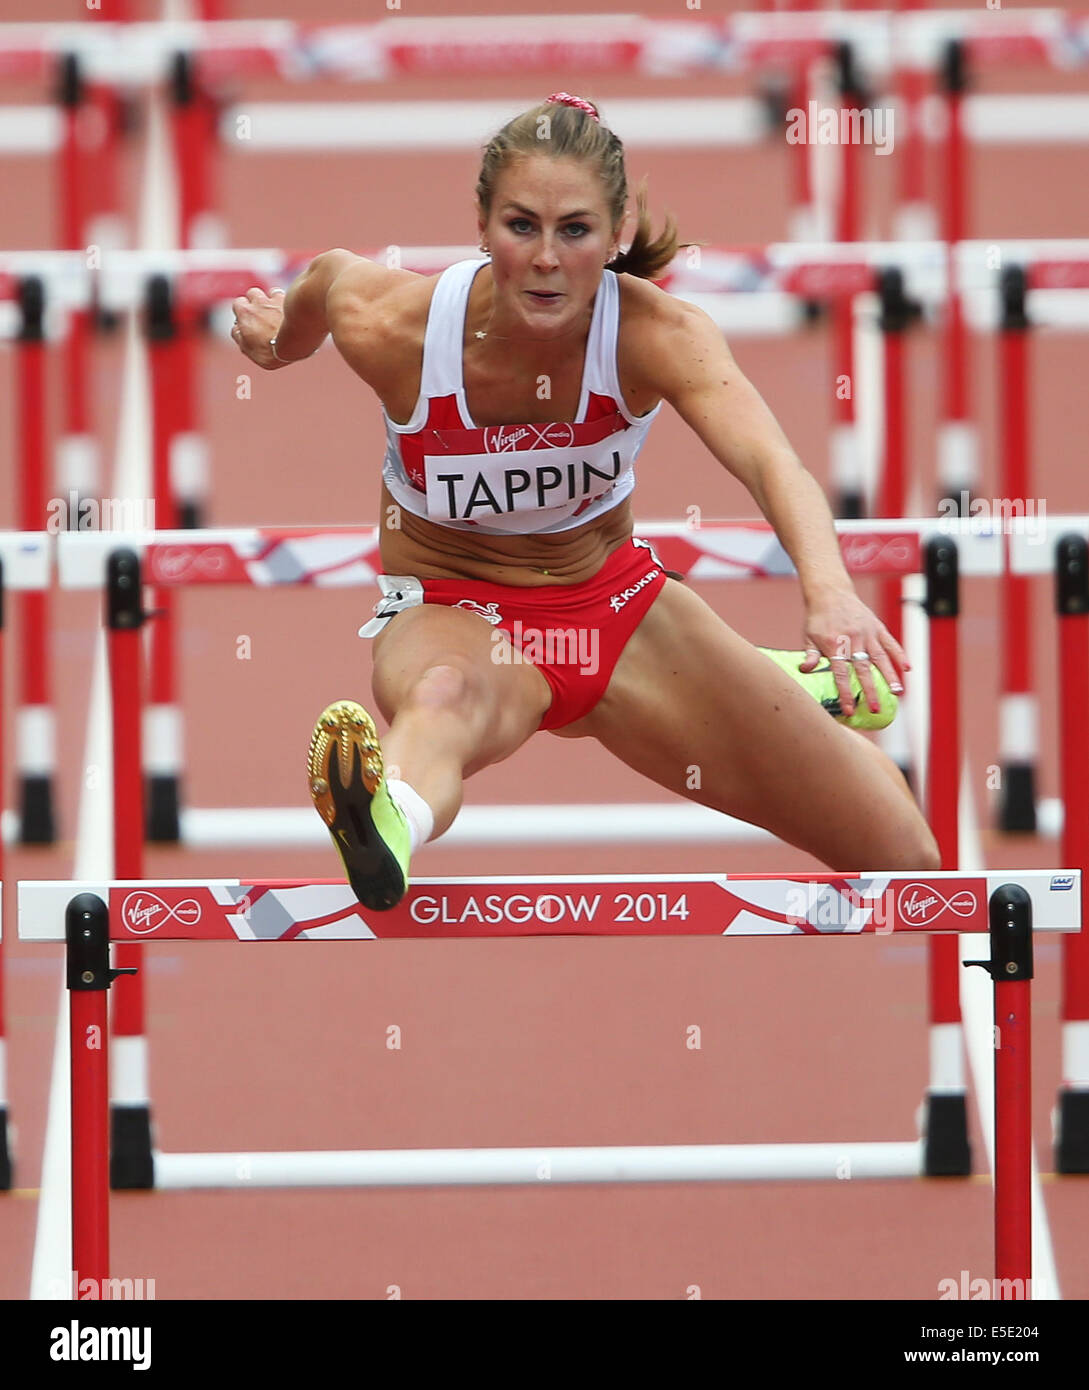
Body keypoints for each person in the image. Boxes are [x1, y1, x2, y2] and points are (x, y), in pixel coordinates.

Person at [231, 92, 940, 912]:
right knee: (440, 702)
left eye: (574, 230)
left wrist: (830, 593)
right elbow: (322, 283)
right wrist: (278, 340)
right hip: (456, 610)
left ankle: (761, 675)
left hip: (620, 614)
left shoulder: (657, 335)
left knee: (906, 855)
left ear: (616, 235)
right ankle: (388, 819)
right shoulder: (395, 323)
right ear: (481, 222)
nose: (545, 258)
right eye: (520, 225)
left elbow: (770, 460)